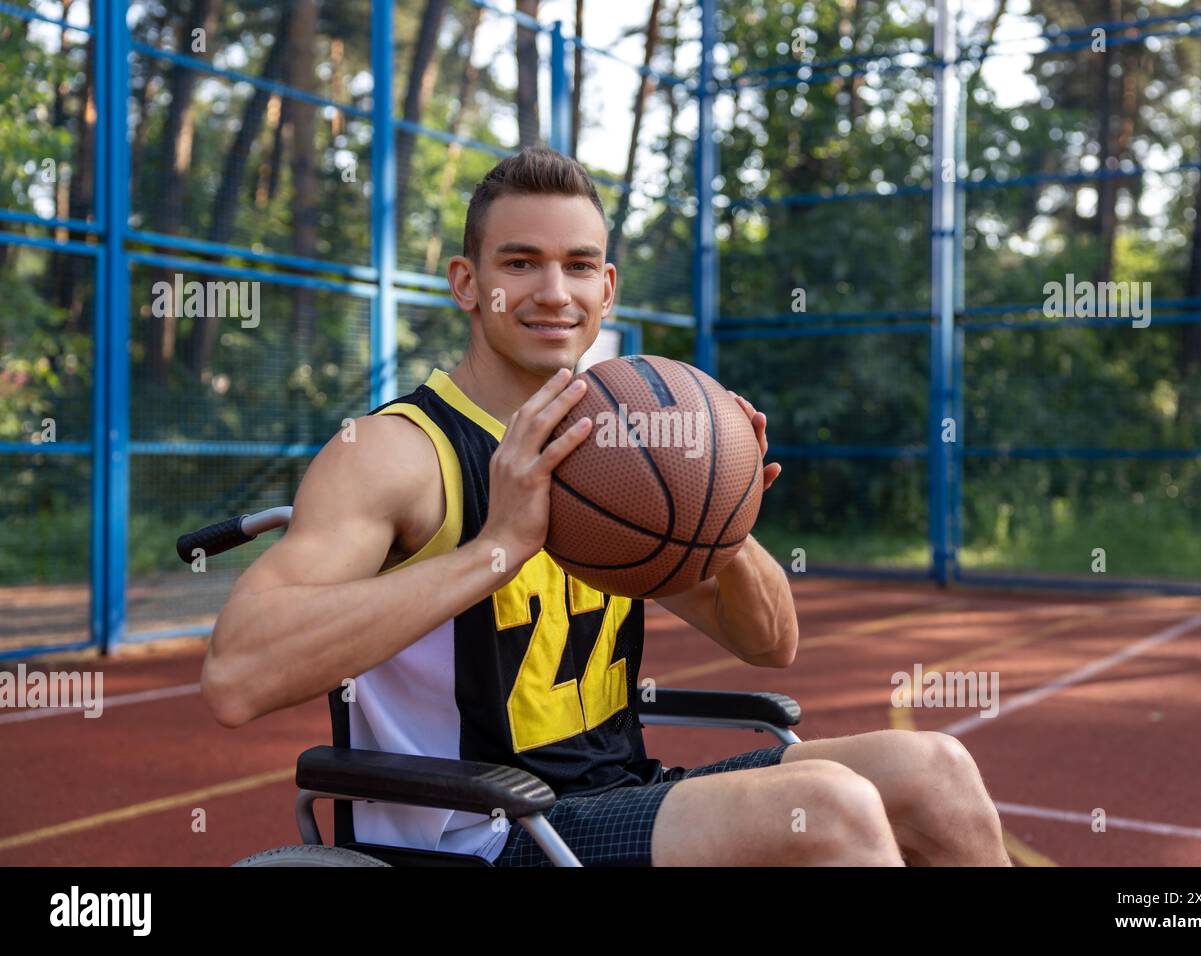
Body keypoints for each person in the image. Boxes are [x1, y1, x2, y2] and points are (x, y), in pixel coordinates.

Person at [201, 146, 1010, 867]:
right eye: (520, 264)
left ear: (607, 288)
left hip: (616, 802)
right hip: (484, 832)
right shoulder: (397, 453)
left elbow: (771, 645)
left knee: (933, 770)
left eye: (579, 265)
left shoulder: (626, 450)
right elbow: (237, 678)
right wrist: (497, 547)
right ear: (466, 282)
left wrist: (720, 509)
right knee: (830, 812)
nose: (553, 292)